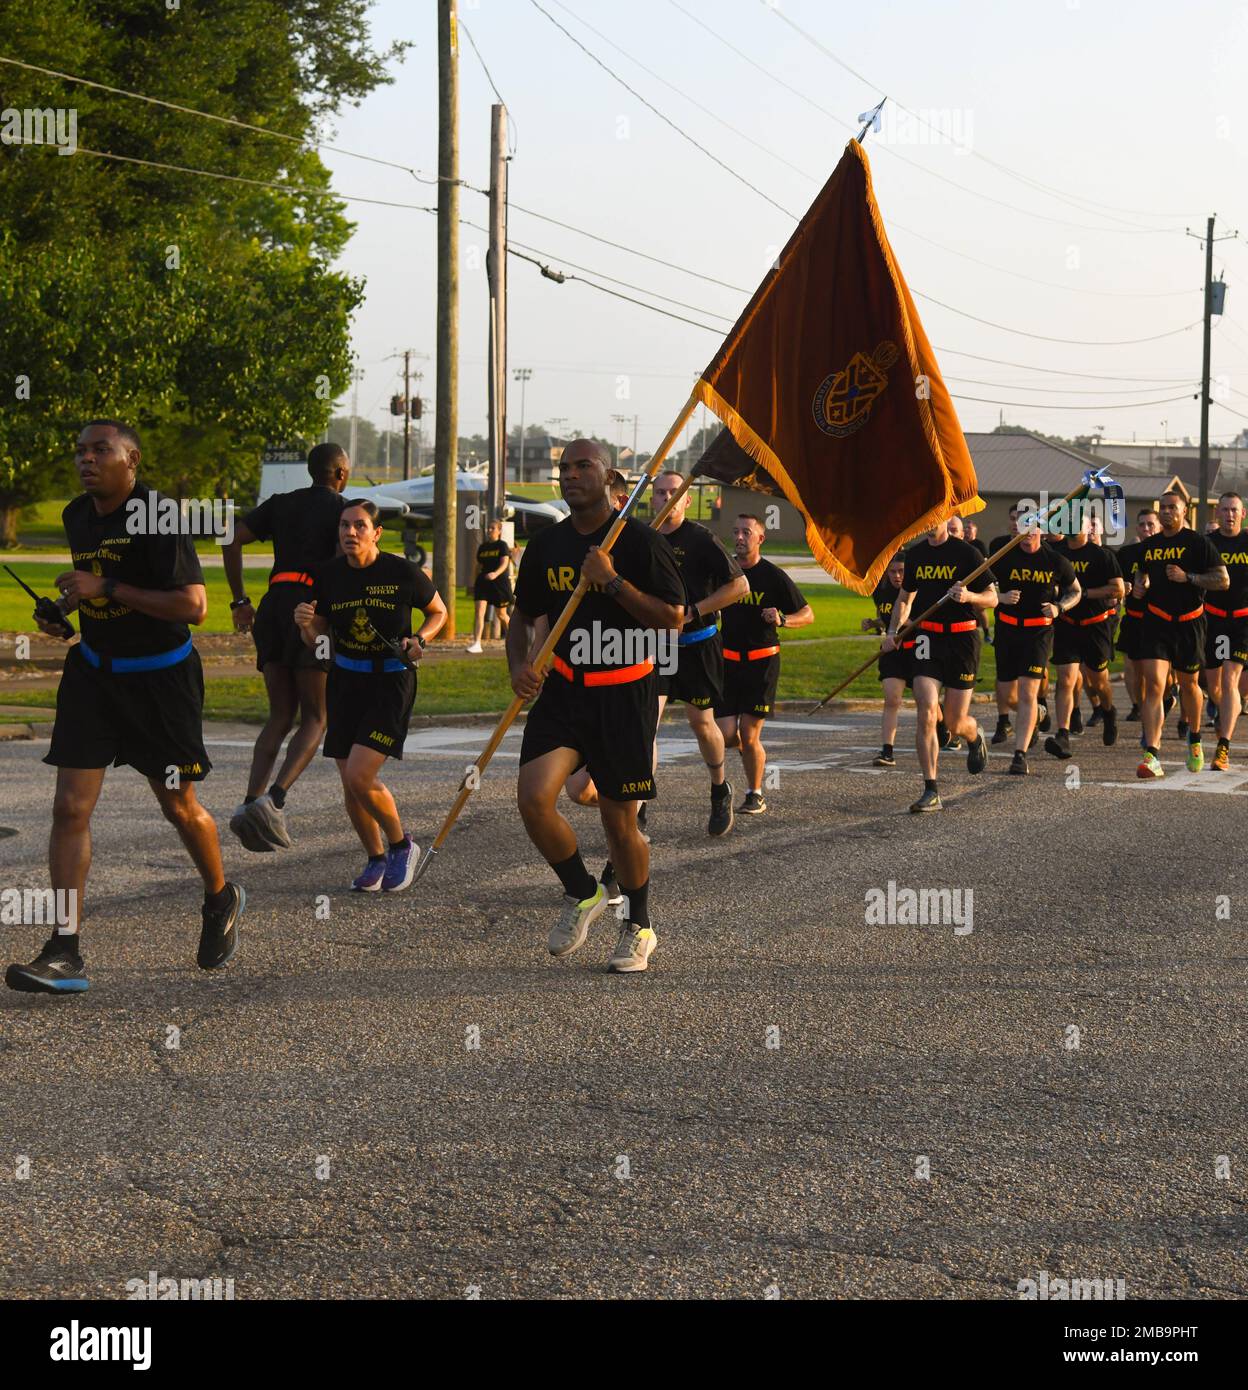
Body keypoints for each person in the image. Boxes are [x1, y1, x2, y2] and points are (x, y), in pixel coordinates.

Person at [6, 421, 244, 994]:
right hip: (94, 676)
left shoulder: (161, 516)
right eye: (80, 451)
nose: (85, 459)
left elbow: (193, 606)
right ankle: (64, 949)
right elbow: (89, 585)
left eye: (100, 450)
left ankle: (219, 896)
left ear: (131, 459)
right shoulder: (76, 515)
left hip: (160, 684)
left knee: (179, 807)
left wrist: (105, 589)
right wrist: (63, 608)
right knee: (69, 808)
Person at [508, 440, 685, 974]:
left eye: (582, 466)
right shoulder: (546, 546)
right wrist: (519, 665)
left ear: (609, 477)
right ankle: (582, 891)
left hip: (624, 693)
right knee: (534, 798)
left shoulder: (642, 543)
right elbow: (522, 618)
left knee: (618, 823)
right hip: (564, 689)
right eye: (563, 468)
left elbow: (673, 617)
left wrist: (613, 581)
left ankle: (639, 924)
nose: (569, 474)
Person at [295, 500, 448, 890]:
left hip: (390, 682)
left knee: (361, 775)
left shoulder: (401, 572)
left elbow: (439, 613)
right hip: (346, 681)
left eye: (359, 526)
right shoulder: (328, 577)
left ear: (376, 533)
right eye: (344, 526)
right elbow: (321, 643)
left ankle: (401, 845)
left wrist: (419, 640)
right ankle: (376, 858)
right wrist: (306, 628)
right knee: (350, 782)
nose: (350, 533)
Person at [222, 442, 350, 851]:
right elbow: (340, 566)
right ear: (341, 474)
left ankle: (247, 804)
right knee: (316, 716)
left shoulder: (280, 503)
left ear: (311, 472)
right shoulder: (343, 511)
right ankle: (273, 800)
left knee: (280, 714)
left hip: (273, 605)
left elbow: (230, 539)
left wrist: (240, 600)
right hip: (309, 609)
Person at [650, 470, 748, 833]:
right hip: (657, 646)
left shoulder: (701, 539)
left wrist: (693, 611)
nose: (667, 499)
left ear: (687, 499)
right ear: (652, 498)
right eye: (660, 493)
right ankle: (640, 805)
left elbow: (740, 585)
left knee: (701, 722)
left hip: (698, 643)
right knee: (648, 724)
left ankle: (719, 788)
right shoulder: (642, 538)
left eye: (674, 493)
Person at [882, 519, 997, 813]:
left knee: (955, 722)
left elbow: (992, 598)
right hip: (927, 637)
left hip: (962, 638)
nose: (928, 522)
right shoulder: (917, 555)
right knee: (926, 710)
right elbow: (905, 598)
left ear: (946, 519)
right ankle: (930, 789)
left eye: (934, 516)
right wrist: (893, 631)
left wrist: (968, 595)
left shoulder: (967, 554)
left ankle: (973, 734)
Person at [715, 514, 814, 815]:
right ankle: (752, 755)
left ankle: (755, 793)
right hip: (728, 662)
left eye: (747, 532)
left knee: (749, 732)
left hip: (762, 662)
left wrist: (783, 619)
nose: (740, 537)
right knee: (726, 734)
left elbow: (807, 614)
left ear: (761, 538)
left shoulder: (772, 576)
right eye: (736, 531)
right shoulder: (726, 571)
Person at [1131, 491, 1228, 778]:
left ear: (1185, 511)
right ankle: (1152, 754)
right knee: (1155, 685)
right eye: (1163, 508)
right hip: (1157, 621)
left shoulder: (1198, 543)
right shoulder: (1150, 545)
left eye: (1173, 507)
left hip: (1190, 623)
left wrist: (1189, 578)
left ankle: (1195, 739)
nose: (1167, 512)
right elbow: (1141, 572)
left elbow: (1222, 580)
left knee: (1189, 685)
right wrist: (1140, 584)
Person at [992, 524, 1080, 775]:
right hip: (1007, 630)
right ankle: (1037, 714)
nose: (1028, 533)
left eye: (1032, 528)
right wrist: (1000, 597)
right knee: (1008, 696)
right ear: (1014, 530)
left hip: (1038, 632)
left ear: (1041, 531)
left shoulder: (1055, 560)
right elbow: (983, 587)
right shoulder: (1003, 556)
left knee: (1028, 692)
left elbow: (1076, 591)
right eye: (1023, 528)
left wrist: (1059, 607)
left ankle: (1019, 755)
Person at [1045, 510, 1125, 758]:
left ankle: (1109, 711)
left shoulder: (1102, 555)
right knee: (1066, 679)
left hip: (1095, 624)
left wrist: (1085, 594)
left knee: (1097, 680)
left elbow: (1118, 589)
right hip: (1067, 623)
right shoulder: (1057, 554)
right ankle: (1063, 734)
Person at [1202, 492, 1248, 770]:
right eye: (1225, 510)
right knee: (1214, 685)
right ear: (1216, 514)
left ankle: (1223, 747)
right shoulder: (1207, 544)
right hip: (1214, 620)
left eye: (1235, 510)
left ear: (1242, 514)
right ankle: (1223, 715)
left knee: (1231, 680)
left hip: (1243, 621)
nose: (1230, 514)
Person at [864, 552, 910, 767]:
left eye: (901, 571)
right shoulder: (881, 591)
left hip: (917, 649)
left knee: (926, 702)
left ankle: (942, 726)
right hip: (892, 650)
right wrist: (874, 623)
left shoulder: (917, 590)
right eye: (892, 571)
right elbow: (886, 618)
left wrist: (908, 623)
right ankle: (887, 750)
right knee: (892, 699)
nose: (897, 576)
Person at [1116, 508, 1162, 722]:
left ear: (1159, 526)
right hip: (1134, 616)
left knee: (1159, 670)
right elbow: (1117, 583)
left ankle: (1166, 696)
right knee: (1132, 665)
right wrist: (1125, 587)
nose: (1146, 529)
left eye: (1150, 524)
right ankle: (1137, 704)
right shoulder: (1127, 554)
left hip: (1161, 619)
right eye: (1142, 525)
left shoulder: (1167, 550)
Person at [466, 517, 517, 654]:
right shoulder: (483, 547)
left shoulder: (502, 546)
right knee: (479, 612)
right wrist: (473, 581)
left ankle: (517, 639)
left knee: (501, 614)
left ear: (499, 531)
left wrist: (495, 573)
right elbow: (478, 565)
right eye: (488, 528)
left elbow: (504, 563)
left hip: (499, 583)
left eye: (492, 528)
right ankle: (476, 643)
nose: (489, 530)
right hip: (483, 583)